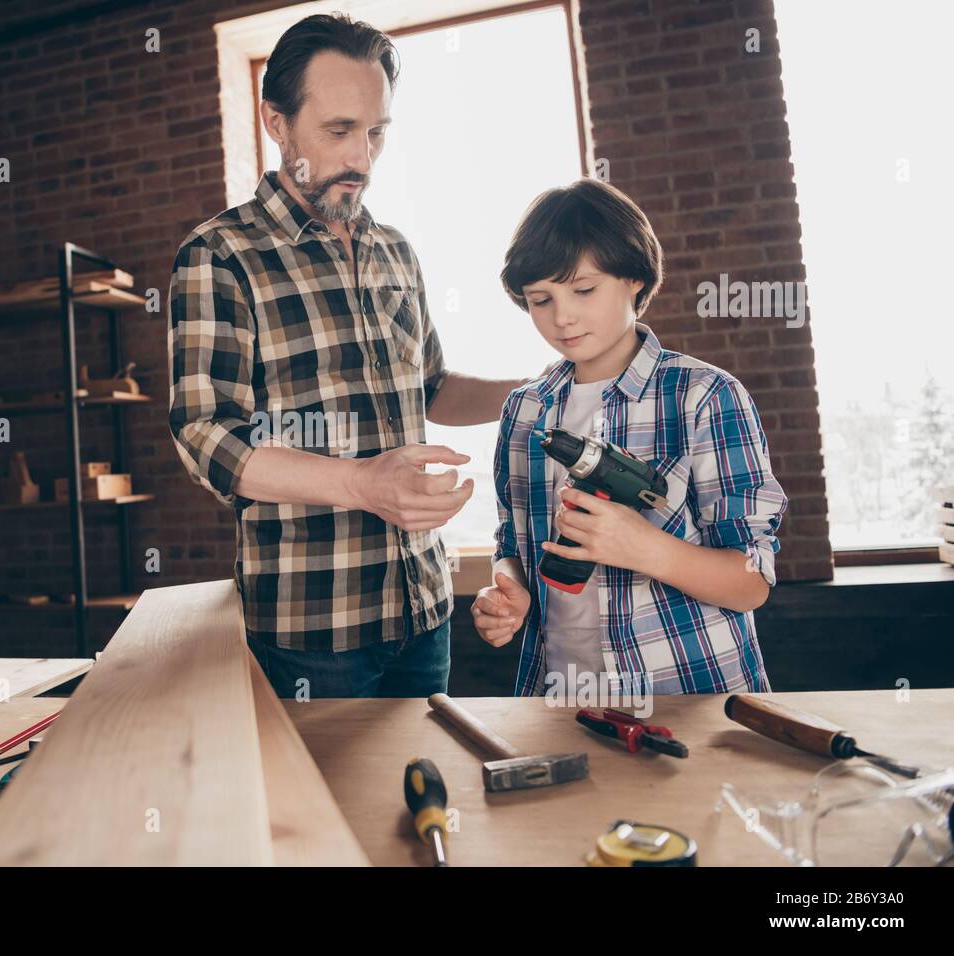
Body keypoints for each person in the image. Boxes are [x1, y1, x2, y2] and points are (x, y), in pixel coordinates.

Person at [168, 14, 526, 698]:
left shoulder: (394, 250)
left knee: (413, 802)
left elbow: (433, 387)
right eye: (339, 131)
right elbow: (206, 436)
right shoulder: (219, 255)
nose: (362, 157)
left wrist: (539, 392)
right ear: (277, 123)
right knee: (322, 810)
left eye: (377, 131)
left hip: (424, 609)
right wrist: (363, 484)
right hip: (312, 632)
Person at [475, 177, 789, 697]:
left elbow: (751, 582)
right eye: (540, 299)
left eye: (583, 289)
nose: (563, 316)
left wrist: (644, 548)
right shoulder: (524, 411)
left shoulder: (704, 397)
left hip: (693, 695)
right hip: (558, 698)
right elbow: (511, 543)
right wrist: (509, 591)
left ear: (635, 280)